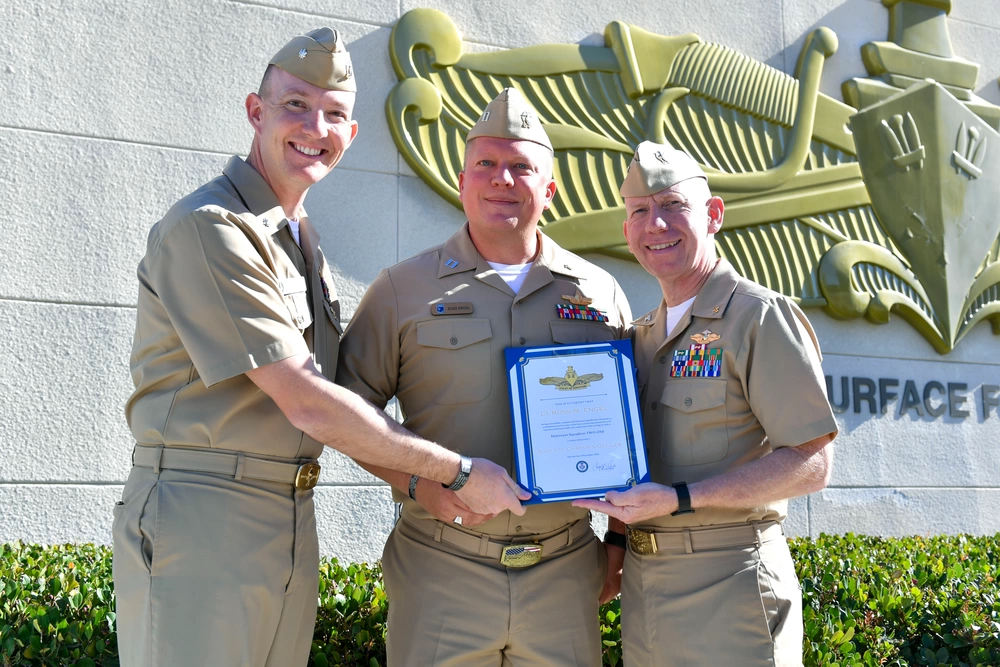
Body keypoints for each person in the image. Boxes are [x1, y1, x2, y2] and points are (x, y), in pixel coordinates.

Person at [112, 29, 527, 667]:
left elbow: (341, 396)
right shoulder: (213, 229)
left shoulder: (298, 239)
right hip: (203, 515)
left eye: (334, 114)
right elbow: (306, 401)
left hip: (288, 513)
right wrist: (458, 471)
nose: (316, 127)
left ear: (351, 136)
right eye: (296, 106)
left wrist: (412, 484)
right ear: (256, 111)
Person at [335, 87, 633, 666]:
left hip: (566, 570)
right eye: (487, 165)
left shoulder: (600, 294)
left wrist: (617, 540)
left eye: (522, 167)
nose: (503, 179)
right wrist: (420, 485)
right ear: (463, 179)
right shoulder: (404, 289)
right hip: (442, 569)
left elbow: (630, 424)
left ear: (548, 189)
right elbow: (348, 415)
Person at [574, 141, 837, 666]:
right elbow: (632, 464)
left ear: (713, 214)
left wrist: (680, 499)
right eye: (640, 212)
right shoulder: (639, 338)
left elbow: (812, 465)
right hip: (645, 590)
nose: (656, 224)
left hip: (732, 584)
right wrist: (617, 544)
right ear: (627, 232)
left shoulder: (758, 316)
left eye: (673, 206)